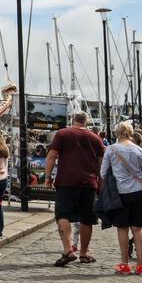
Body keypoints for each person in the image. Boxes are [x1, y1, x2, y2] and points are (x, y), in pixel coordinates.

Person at [44, 110, 104, 267]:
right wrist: (101, 184)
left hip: (66, 181)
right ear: (87, 121)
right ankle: (84, 253)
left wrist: (47, 177)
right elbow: (101, 165)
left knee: (62, 215)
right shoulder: (96, 138)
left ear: (73, 120)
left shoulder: (62, 134)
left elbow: (51, 156)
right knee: (87, 218)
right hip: (89, 184)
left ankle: (68, 250)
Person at [97, 121, 142, 275]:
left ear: (117, 133)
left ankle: (124, 264)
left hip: (120, 193)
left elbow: (103, 173)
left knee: (122, 228)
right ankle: (141, 265)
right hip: (138, 193)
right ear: (131, 133)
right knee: (137, 229)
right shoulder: (140, 150)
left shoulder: (112, 149)